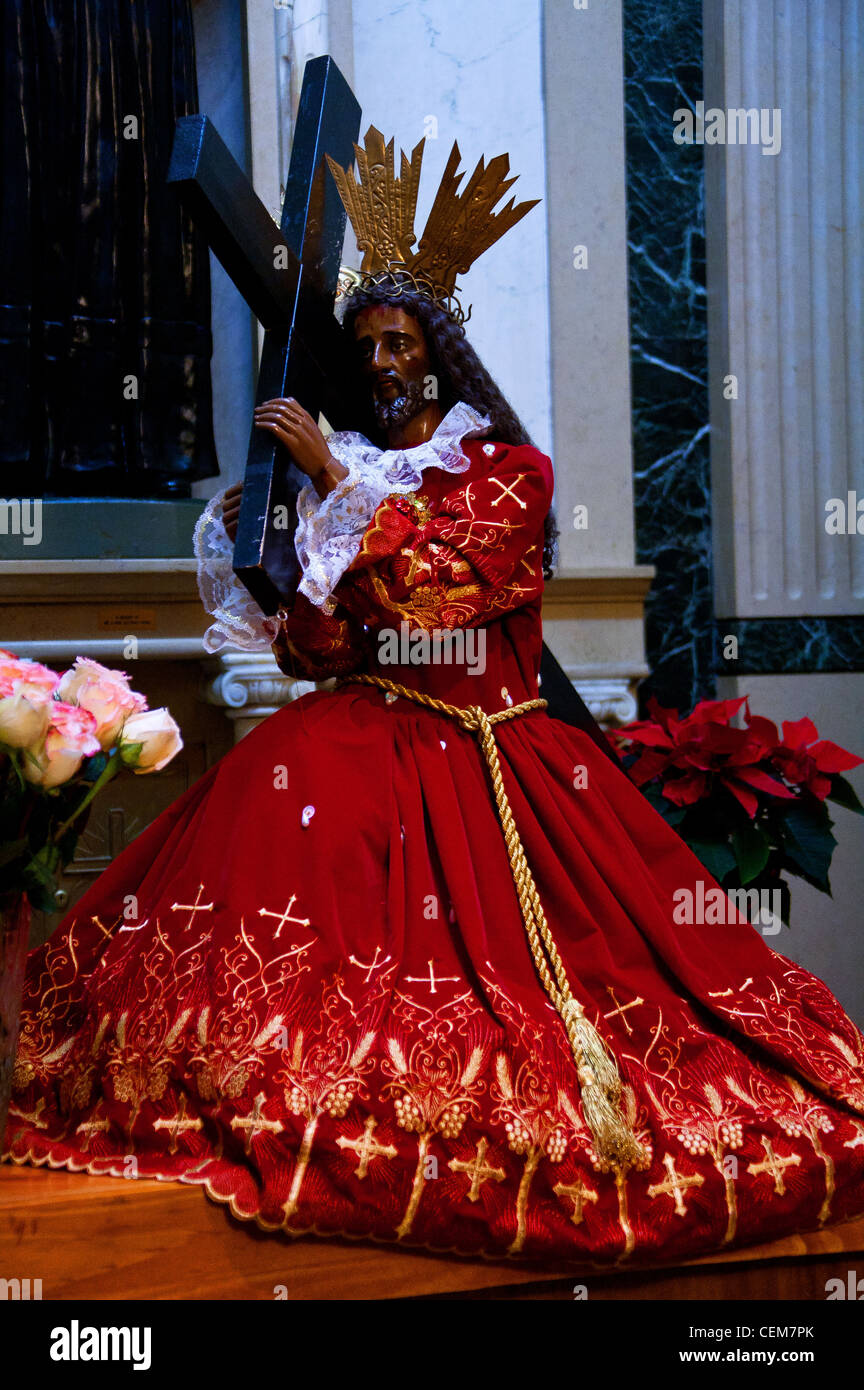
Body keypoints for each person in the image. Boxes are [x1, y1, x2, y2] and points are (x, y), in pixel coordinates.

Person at [4, 135, 864, 1266]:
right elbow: (327, 647)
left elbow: (439, 591)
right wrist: (274, 561)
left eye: (402, 344)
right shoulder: (353, 470)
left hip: (491, 755)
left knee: (583, 987)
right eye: (368, 349)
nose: (383, 366)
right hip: (355, 731)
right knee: (271, 832)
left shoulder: (508, 475)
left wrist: (332, 482)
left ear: (442, 359)